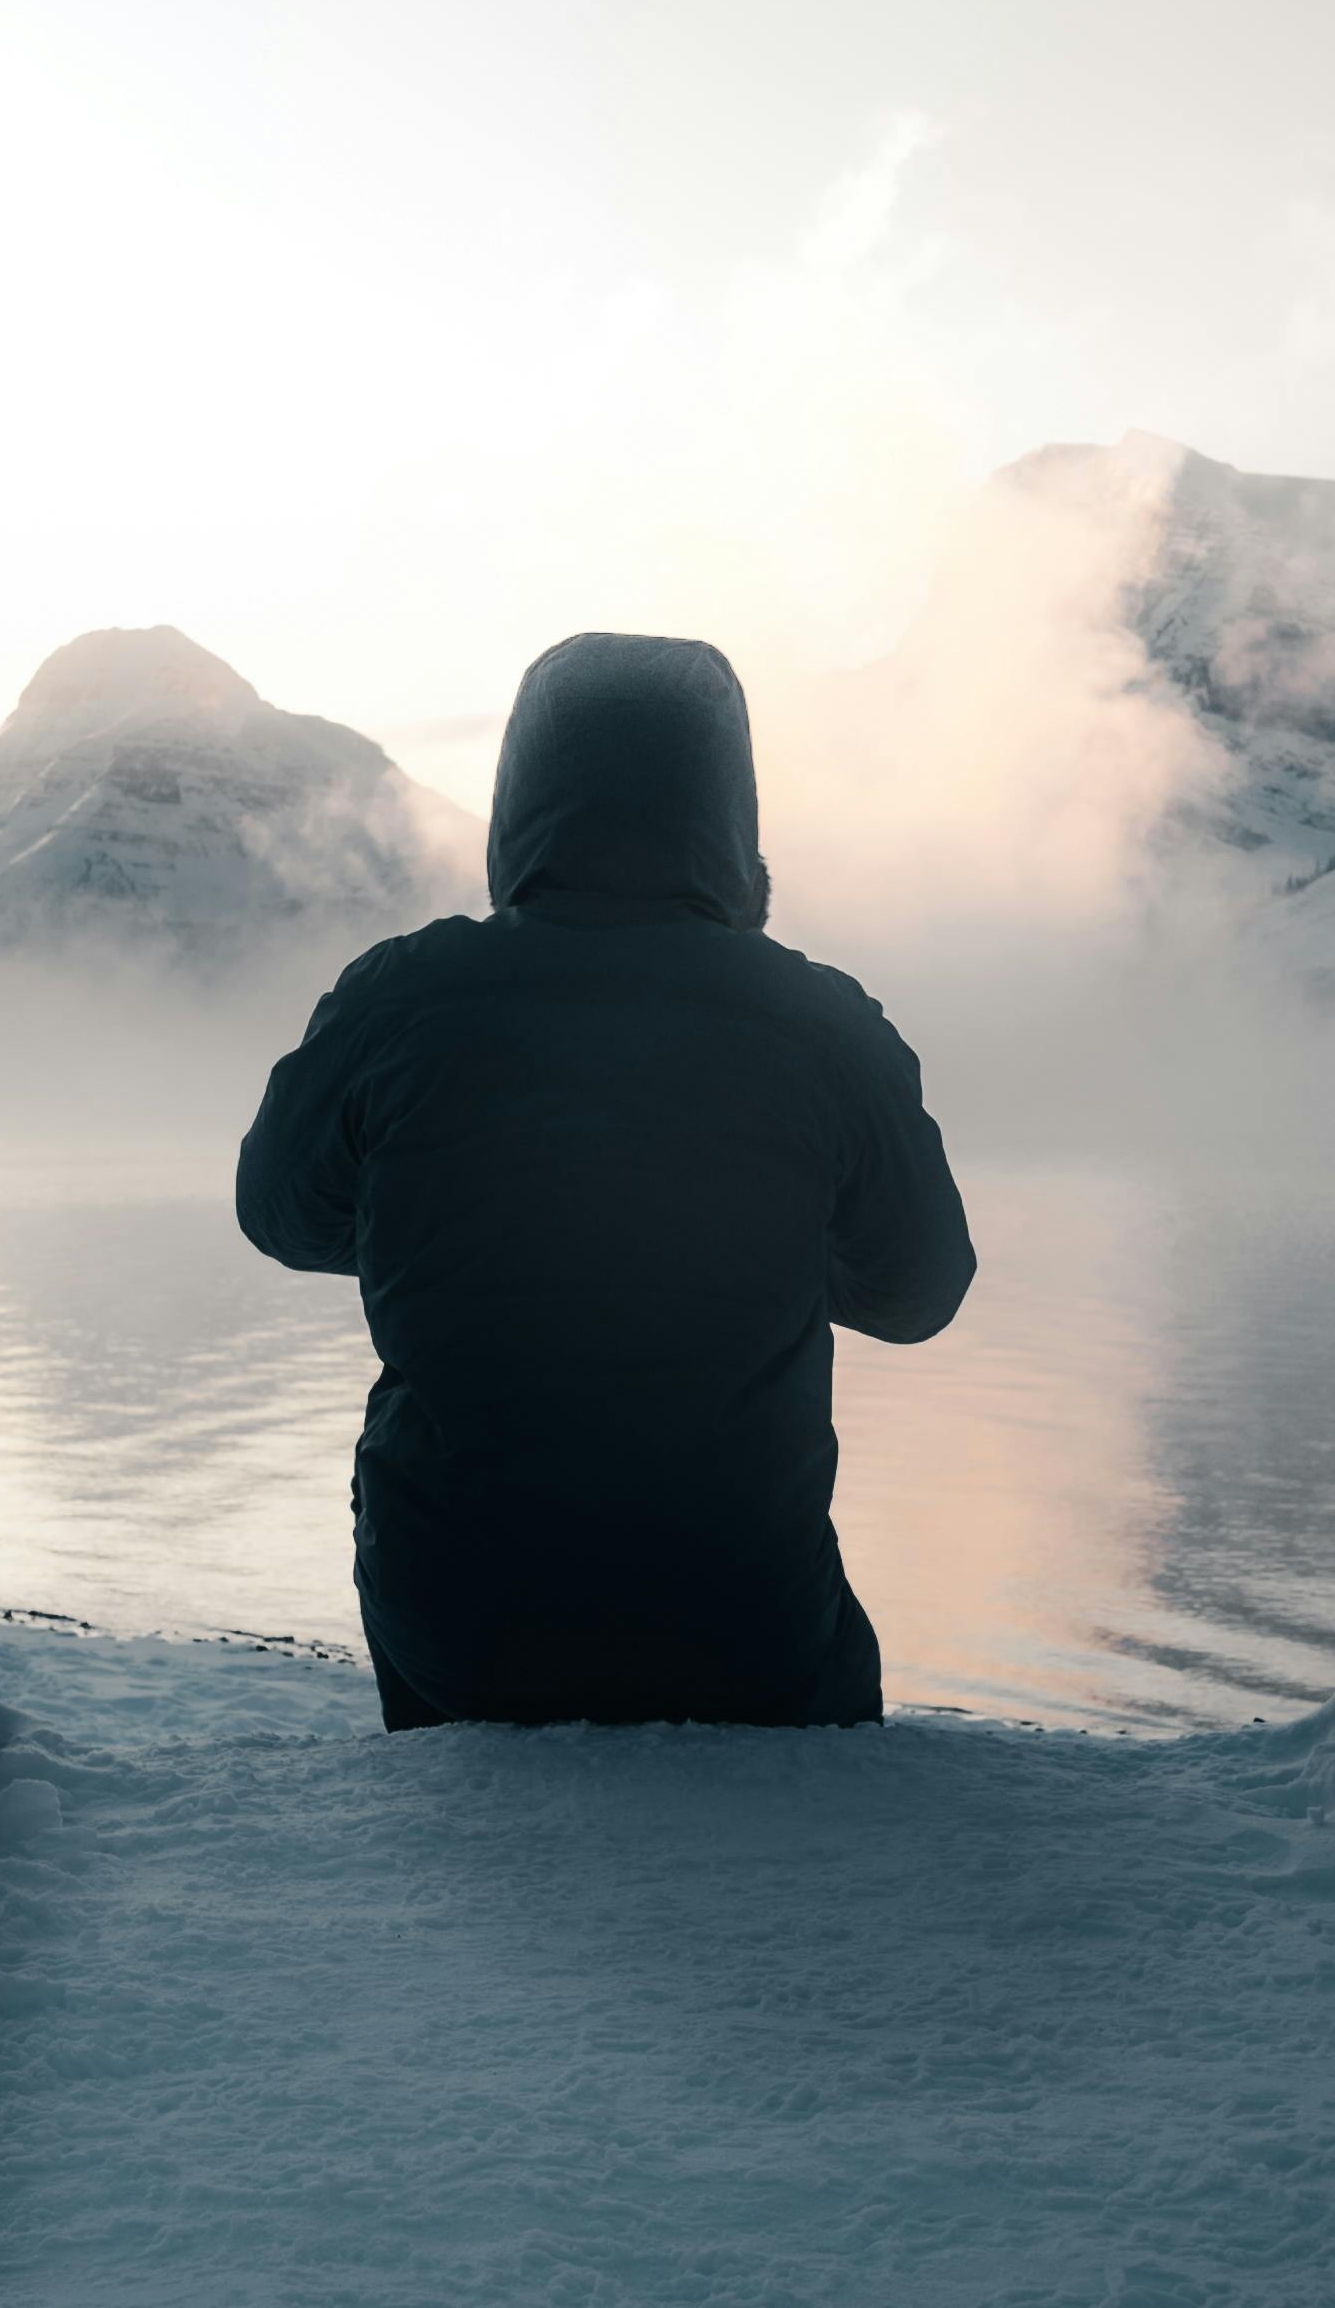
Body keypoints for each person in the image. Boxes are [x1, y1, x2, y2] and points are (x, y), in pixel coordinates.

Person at [235, 630, 974, 1728]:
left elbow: (282, 1219)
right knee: (796, 1625)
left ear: (516, 805)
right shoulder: (820, 1024)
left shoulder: (400, 998)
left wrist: (449, 1228)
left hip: (463, 1631)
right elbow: (917, 1296)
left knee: (437, 1544)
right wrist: (760, 1247)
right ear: (732, 820)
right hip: (743, 1631)